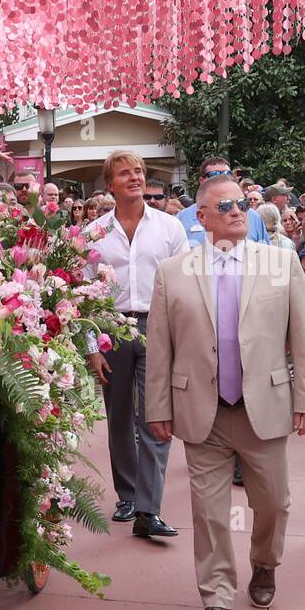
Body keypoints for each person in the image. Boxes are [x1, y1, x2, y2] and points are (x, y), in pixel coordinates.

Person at [146, 176, 305, 610]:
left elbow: (304, 340)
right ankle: (217, 597)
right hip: (200, 410)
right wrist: (157, 408)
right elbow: (159, 348)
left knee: (273, 504)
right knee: (208, 512)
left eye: (242, 203)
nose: (237, 211)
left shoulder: (281, 265)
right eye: (224, 206)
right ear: (201, 217)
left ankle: (265, 563)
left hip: (263, 406)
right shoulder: (172, 271)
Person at [85, 149, 188, 536]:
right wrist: (92, 346)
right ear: (109, 184)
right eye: (125, 173)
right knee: (119, 416)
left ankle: (149, 508)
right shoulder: (94, 232)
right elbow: (80, 293)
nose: (135, 178)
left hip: (157, 325)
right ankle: (127, 495)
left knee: (155, 416)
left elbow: (185, 284)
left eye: (140, 172)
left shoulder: (169, 228)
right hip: (111, 327)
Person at [177, 156, 270, 247]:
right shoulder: (182, 218)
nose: (222, 178)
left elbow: (264, 255)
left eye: (227, 174)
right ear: (201, 181)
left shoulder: (254, 217)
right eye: (214, 174)